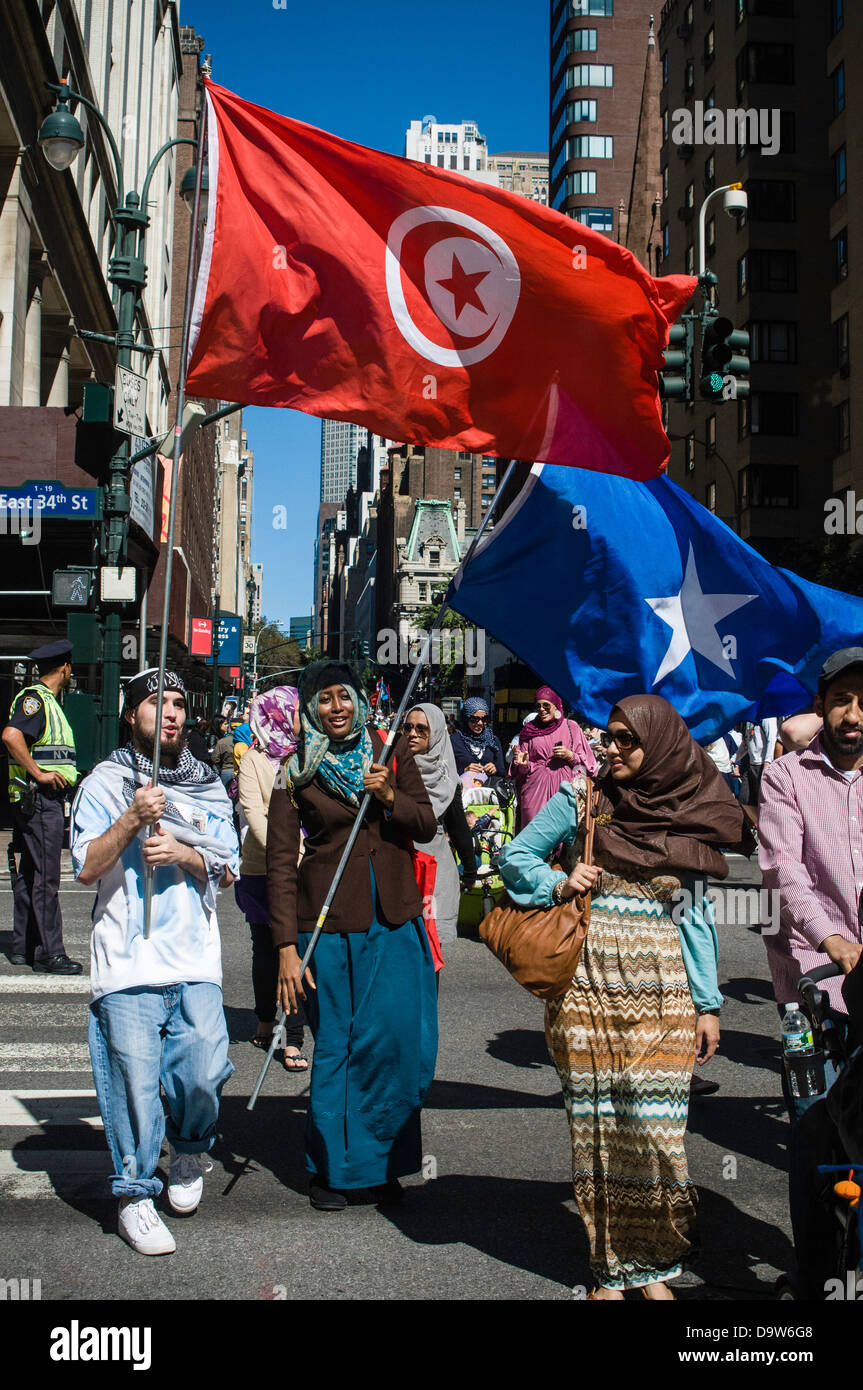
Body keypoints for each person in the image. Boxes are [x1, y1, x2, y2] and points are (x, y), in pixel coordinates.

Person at [499, 694, 752, 1299]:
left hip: (664, 997)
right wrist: (559, 881)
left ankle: (654, 1265)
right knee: (598, 1131)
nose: (610, 748)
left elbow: (695, 917)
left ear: (660, 744)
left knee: (658, 1133)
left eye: (625, 739)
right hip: (585, 992)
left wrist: (709, 1004)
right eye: (607, 737)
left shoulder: (686, 815)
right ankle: (610, 1272)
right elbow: (515, 857)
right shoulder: (583, 799)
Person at [69, 668, 239, 1256]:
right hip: (127, 960)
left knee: (204, 1071)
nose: (169, 714)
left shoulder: (209, 786)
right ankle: (135, 1195)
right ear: (130, 715)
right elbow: (87, 867)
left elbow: (230, 863)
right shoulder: (105, 782)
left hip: (194, 958)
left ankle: (189, 1149)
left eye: (176, 704)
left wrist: (186, 854)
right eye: (155, 703)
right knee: (134, 1085)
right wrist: (132, 820)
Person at [267, 660, 438, 1212]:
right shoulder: (294, 770)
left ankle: (381, 1162)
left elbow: (426, 824)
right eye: (324, 699)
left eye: (345, 696)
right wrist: (286, 948)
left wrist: (390, 796)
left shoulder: (389, 751)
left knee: (395, 1046)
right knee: (338, 1047)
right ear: (310, 709)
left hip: (394, 923)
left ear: (360, 701)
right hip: (329, 930)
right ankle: (331, 1171)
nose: (336, 707)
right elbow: (279, 865)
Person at [758, 647, 863, 1297]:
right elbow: (780, 871)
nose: (854, 713)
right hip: (813, 984)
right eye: (842, 699)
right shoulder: (786, 777)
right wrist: (832, 938)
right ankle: (818, 1277)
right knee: (815, 1128)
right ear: (820, 706)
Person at [237, 686, 307, 1069]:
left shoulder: (307, 756)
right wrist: (291, 858)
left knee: (297, 950)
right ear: (277, 714)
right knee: (267, 950)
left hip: (307, 867)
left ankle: (294, 1035)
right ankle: (266, 1017)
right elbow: (255, 817)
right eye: (294, 711)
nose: (301, 717)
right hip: (265, 869)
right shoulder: (254, 761)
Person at [2, 640, 82, 973]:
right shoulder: (36, 700)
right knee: (47, 879)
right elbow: (10, 736)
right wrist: (39, 773)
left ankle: (23, 947)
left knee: (31, 874)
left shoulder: (44, 700)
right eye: (71, 667)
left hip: (32, 799)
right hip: (40, 799)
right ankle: (51, 953)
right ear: (64, 667)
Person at [402, 703, 476, 944]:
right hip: (398, 866)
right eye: (408, 727)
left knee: (430, 946)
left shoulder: (447, 777)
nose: (413, 734)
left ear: (435, 733)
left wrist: (469, 870)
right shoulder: (392, 768)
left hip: (433, 870)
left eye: (421, 729)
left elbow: (457, 827)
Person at [511, 686, 597, 828]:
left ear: (557, 706)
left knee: (562, 838)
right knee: (534, 836)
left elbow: (589, 764)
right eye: (538, 706)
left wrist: (570, 755)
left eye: (546, 705)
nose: (541, 709)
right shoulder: (529, 730)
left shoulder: (572, 727)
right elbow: (520, 770)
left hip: (564, 790)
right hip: (534, 790)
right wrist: (524, 764)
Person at [450, 697, 505, 777]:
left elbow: (502, 772)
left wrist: (495, 769)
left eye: (484, 719)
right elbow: (446, 771)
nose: (480, 723)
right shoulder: (454, 741)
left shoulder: (493, 741)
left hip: (488, 788)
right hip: (463, 788)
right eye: (474, 719)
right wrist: (464, 770)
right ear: (466, 719)